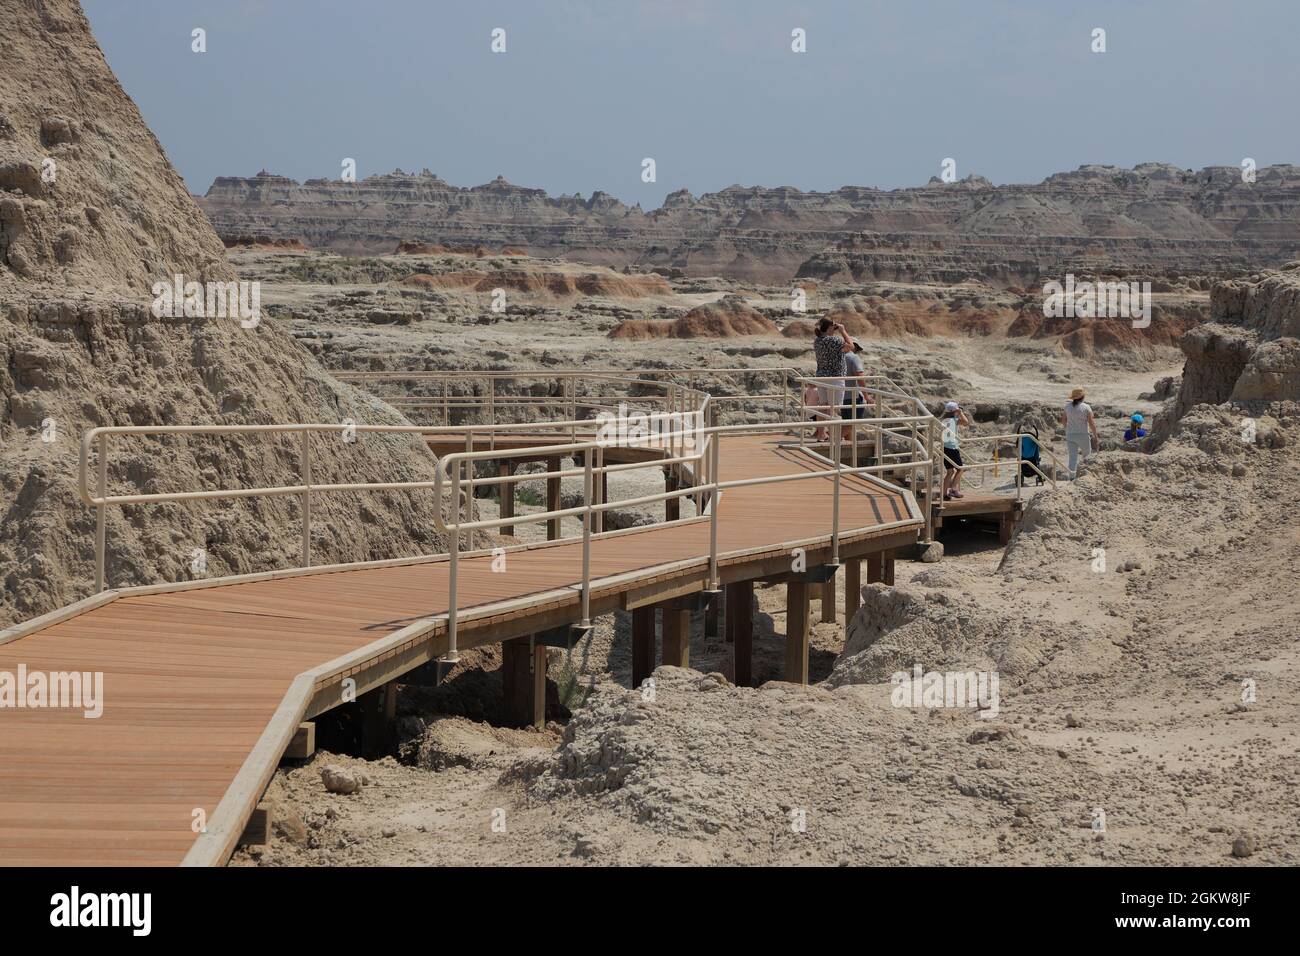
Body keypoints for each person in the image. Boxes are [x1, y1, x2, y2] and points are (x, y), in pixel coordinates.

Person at [812, 317, 852, 441]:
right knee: (834, 407)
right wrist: (843, 331)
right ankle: (833, 437)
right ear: (829, 327)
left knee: (823, 406)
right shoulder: (834, 340)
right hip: (835, 377)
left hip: (821, 377)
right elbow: (851, 346)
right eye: (833, 326)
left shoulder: (817, 341)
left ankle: (821, 434)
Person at [1061, 387, 1099, 477]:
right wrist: (1096, 436)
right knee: (1087, 456)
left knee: (1072, 457)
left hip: (1070, 434)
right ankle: (1085, 476)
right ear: (1082, 397)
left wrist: (1068, 429)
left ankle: (1071, 478)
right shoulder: (1086, 407)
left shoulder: (1067, 407)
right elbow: (1091, 423)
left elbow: (1063, 421)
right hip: (1083, 434)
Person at [939, 400, 971, 500]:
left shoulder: (944, 420)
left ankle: (944, 494)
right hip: (952, 448)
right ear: (955, 410)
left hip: (945, 448)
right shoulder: (954, 420)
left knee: (950, 472)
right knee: (960, 469)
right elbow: (966, 422)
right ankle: (953, 489)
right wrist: (961, 412)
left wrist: (957, 412)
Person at [841, 341, 868, 440]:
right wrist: (866, 396)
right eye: (857, 349)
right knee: (854, 421)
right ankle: (833, 439)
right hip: (853, 395)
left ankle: (849, 445)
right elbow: (860, 377)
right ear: (853, 347)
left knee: (846, 421)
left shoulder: (839, 357)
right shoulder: (853, 357)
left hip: (841, 394)